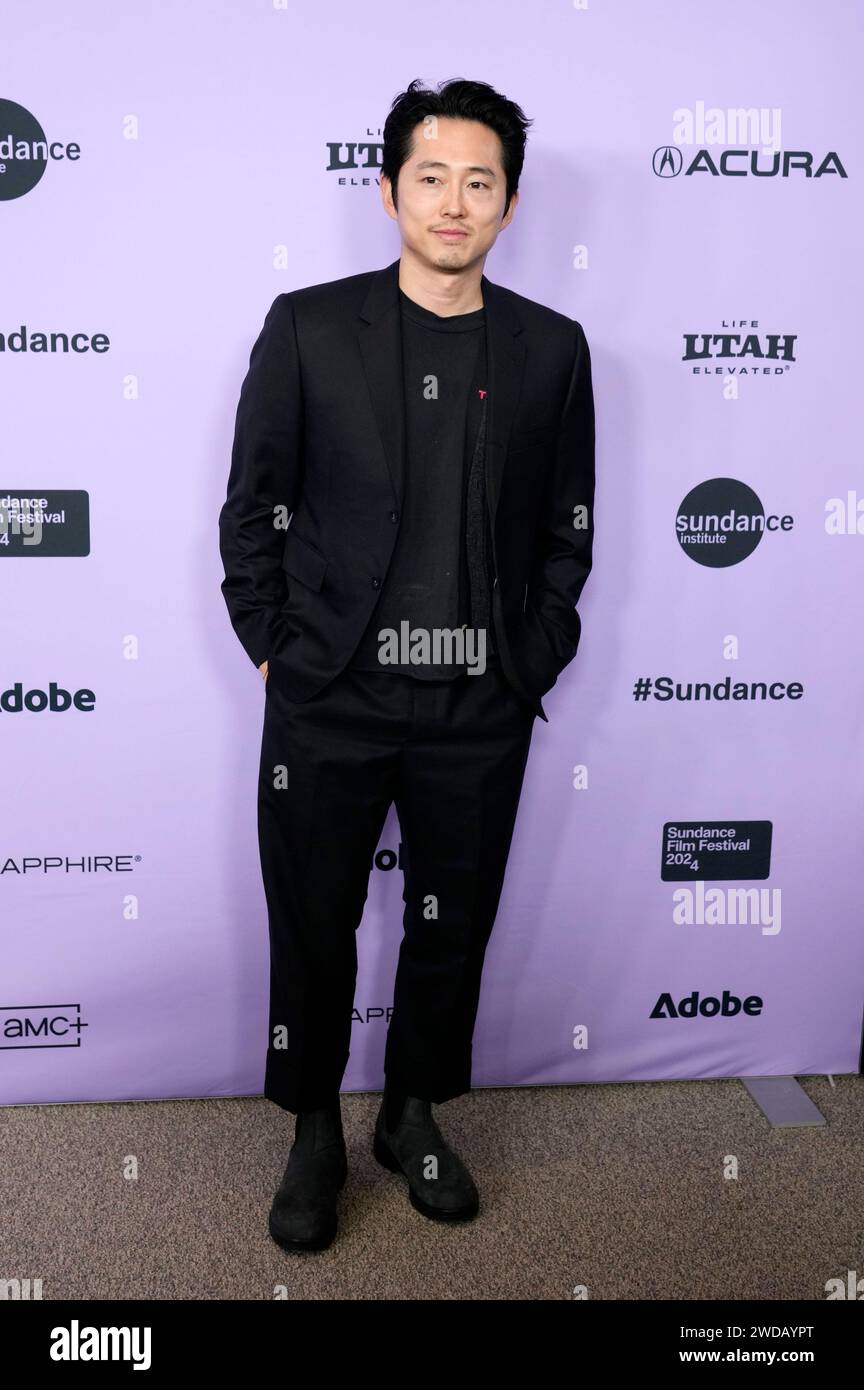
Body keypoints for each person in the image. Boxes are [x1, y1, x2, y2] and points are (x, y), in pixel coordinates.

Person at [218, 77, 595, 1252]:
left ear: (510, 205)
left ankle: (415, 1112)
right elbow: (251, 511)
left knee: (452, 924)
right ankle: (316, 1128)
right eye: (431, 177)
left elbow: (568, 531)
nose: (454, 201)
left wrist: (531, 653)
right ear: (388, 191)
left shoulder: (552, 349)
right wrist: (278, 653)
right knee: (314, 921)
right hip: (332, 693)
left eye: (479, 181)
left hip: (478, 698)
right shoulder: (308, 326)